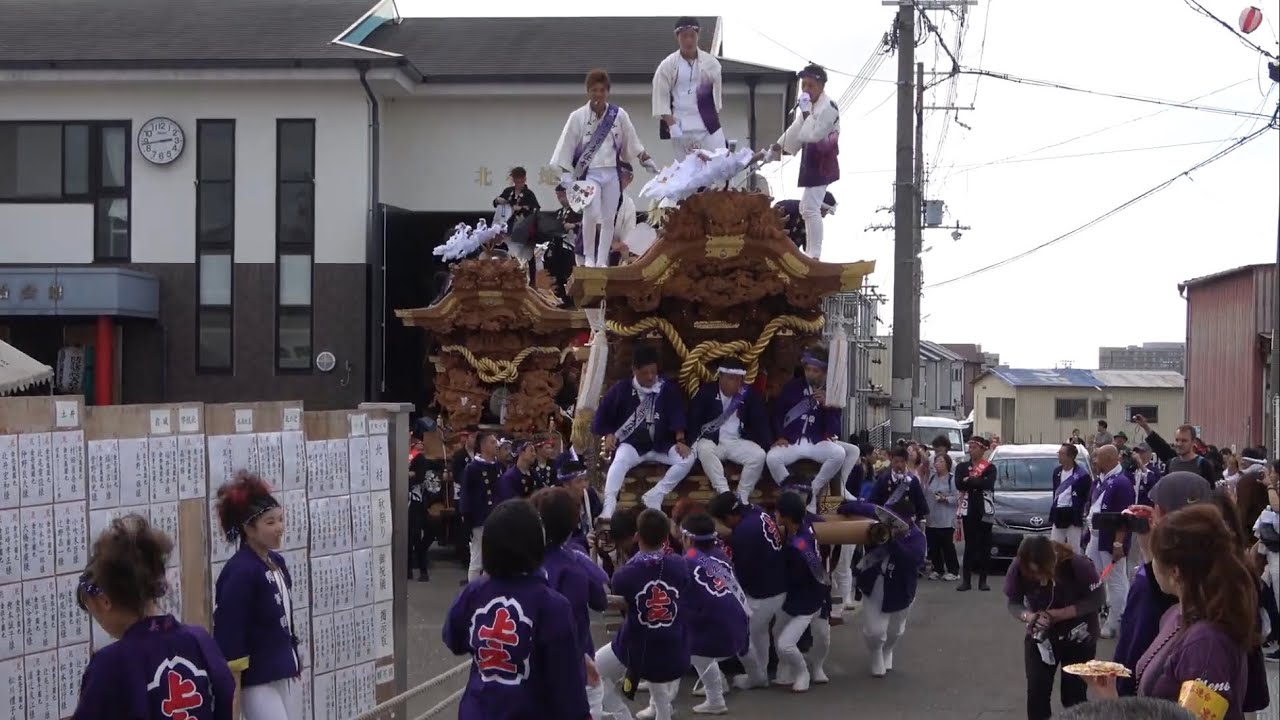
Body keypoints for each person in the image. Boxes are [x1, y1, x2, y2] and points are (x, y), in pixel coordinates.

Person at [1085, 504, 1257, 718]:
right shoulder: (1179, 613)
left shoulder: (1206, 644)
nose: (1146, 565)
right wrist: (1111, 696)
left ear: (1175, 572)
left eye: (1154, 558)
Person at [72, 515, 234, 720]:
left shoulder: (111, 662)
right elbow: (225, 694)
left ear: (105, 601)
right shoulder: (199, 640)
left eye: (94, 613)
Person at [442, 499, 590, 720]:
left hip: (479, 710)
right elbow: (566, 683)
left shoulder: (474, 591)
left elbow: (453, 639)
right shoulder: (552, 604)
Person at [212, 472, 302, 719]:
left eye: (281, 519)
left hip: (284, 670)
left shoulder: (276, 562)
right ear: (249, 529)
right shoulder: (240, 572)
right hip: (257, 681)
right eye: (270, 523)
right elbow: (230, 637)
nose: (280, 528)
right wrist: (232, 696)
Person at [551, 68, 655, 268]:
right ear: (588, 92)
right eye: (594, 90)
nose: (598, 94)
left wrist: (643, 157)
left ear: (607, 91)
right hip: (590, 173)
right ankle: (589, 257)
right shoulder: (578, 117)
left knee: (608, 218)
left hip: (611, 173)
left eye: (602, 90)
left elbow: (631, 141)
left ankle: (601, 260)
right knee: (591, 213)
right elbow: (566, 145)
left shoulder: (619, 115)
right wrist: (565, 174)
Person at [595, 508, 691, 720]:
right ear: (666, 537)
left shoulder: (623, 575)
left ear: (637, 536)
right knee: (655, 637)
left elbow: (622, 606)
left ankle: (622, 716)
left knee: (594, 670)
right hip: (677, 650)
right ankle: (664, 715)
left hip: (639, 653)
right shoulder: (680, 564)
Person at [529, 487, 611, 717]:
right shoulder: (575, 561)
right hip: (575, 660)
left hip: (527, 659)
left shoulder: (525, 559)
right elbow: (600, 601)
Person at [1005, 535, 1105, 720]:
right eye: (1033, 574)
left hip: (1079, 634)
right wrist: (1029, 616)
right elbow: (1014, 603)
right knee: (1037, 692)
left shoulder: (1078, 565)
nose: (1039, 578)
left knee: (1073, 696)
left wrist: (1061, 614)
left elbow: (1098, 598)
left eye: (1042, 572)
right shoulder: (1017, 568)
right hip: (1041, 635)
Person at [593, 345, 695, 519]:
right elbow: (602, 419)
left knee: (688, 458)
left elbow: (676, 414)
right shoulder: (621, 390)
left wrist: (681, 440)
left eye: (653, 372)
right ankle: (609, 506)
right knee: (619, 461)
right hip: (633, 445)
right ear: (634, 370)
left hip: (661, 444)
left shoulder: (666, 389)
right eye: (645, 373)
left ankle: (656, 494)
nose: (650, 377)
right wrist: (609, 433)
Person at [835, 497, 927, 678]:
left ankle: (888, 650)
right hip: (874, 582)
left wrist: (893, 542)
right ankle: (876, 653)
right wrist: (846, 507)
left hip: (901, 588)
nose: (891, 523)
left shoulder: (917, 537)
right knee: (875, 631)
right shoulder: (881, 519)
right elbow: (865, 507)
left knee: (895, 630)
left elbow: (913, 560)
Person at [706, 491, 787, 690]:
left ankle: (757, 677)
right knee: (759, 633)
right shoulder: (758, 512)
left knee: (747, 634)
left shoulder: (744, 533)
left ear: (727, 517)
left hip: (765, 592)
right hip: (778, 582)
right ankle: (761, 672)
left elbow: (742, 576)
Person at [765, 346, 859, 512]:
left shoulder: (832, 394)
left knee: (839, 453)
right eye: (808, 369)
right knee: (772, 458)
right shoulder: (792, 388)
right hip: (792, 441)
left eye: (815, 371)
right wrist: (779, 436)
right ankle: (793, 491)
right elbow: (777, 415)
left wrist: (827, 406)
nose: (810, 374)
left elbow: (834, 428)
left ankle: (813, 490)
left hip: (816, 441)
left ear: (824, 372)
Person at [765, 64, 840, 259]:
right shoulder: (810, 109)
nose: (806, 90)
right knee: (806, 206)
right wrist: (774, 150)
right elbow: (794, 132)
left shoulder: (829, 108)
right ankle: (811, 253)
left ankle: (814, 254)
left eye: (811, 85)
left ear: (821, 86)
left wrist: (806, 112)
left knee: (811, 207)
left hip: (823, 160)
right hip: (811, 160)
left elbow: (814, 134)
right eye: (803, 85)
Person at [678, 512, 749, 715]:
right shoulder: (721, 555)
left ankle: (715, 699)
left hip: (717, 635)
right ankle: (720, 685)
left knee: (689, 645)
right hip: (739, 626)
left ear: (688, 538)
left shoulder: (686, 563)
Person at [688, 356, 772, 502]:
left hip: (736, 441)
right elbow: (693, 419)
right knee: (704, 449)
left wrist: (769, 444)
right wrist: (690, 443)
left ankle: (742, 496)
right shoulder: (706, 392)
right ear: (721, 377)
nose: (737, 383)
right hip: (713, 441)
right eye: (732, 378)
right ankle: (724, 493)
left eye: (740, 379)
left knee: (758, 455)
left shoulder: (748, 395)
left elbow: (760, 422)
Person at [770, 490, 828, 692]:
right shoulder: (804, 529)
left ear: (785, 516)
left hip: (807, 601)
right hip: (796, 597)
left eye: (777, 512)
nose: (774, 515)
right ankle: (785, 670)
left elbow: (799, 574)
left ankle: (802, 671)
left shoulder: (799, 546)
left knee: (786, 644)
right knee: (777, 631)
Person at [652, 16, 725, 160]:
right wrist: (671, 125)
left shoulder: (712, 64)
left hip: (708, 125)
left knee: (720, 162)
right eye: (684, 36)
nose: (689, 40)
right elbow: (661, 96)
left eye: (692, 36)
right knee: (688, 174)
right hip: (681, 127)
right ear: (677, 37)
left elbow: (716, 97)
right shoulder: (667, 65)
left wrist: (714, 114)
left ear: (698, 36)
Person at [1086, 445, 1136, 639]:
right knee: (1094, 579)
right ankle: (1099, 616)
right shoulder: (1100, 481)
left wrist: (1118, 543)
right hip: (1095, 539)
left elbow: (1124, 517)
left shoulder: (1122, 483)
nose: (1094, 461)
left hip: (1110, 541)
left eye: (1097, 458)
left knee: (1116, 581)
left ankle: (1116, 621)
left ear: (1108, 458)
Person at [955, 436, 997, 591]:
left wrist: (971, 481)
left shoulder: (990, 467)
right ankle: (966, 580)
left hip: (984, 509)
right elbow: (959, 483)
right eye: (970, 447)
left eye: (974, 447)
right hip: (968, 509)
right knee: (970, 546)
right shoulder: (962, 467)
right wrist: (975, 481)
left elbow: (988, 483)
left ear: (982, 449)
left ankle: (983, 581)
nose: (970, 450)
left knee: (985, 545)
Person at [460, 430, 503, 581]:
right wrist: (468, 518)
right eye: (492, 442)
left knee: (491, 558)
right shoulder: (473, 468)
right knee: (477, 557)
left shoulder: (497, 465)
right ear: (483, 446)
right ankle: (473, 588)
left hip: (496, 517)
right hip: (480, 518)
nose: (496, 445)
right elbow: (466, 495)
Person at [1132, 416, 1217, 487]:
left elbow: (1211, 494)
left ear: (1193, 442)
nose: (1179, 444)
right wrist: (1145, 426)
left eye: (1184, 440)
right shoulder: (1171, 463)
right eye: (1177, 440)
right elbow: (1160, 446)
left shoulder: (1203, 465)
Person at [868, 446, 930, 526]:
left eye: (902, 461)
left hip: (908, 524)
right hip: (888, 525)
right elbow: (874, 502)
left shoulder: (913, 480)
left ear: (906, 461)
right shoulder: (884, 479)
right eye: (896, 462)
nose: (899, 465)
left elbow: (920, 506)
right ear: (891, 460)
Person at [1050, 443, 1092, 552]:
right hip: (1058, 514)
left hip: (1073, 515)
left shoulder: (1082, 476)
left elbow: (1086, 498)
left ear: (1070, 456)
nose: (1058, 455)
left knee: (1073, 550)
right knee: (1055, 548)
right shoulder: (1057, 472)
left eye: (1061, 453)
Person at [924, 452, 960, 580]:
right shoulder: (932, 478)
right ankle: (937, 569)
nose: (937, 464)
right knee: (933, 545)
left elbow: (957, 498)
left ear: (947, 464)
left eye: (940, 462)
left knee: (947, 545)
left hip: (946, 518)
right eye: (936, 462)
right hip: (932, 517)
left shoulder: (952, 479)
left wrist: (945, 499)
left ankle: (953, 571)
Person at [557, 461, 603, 554]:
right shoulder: (557, 505)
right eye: (578, 481)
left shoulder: (589, 494)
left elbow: (598, 514)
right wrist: (583, 540)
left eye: (585, 480)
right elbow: (558, 543)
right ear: (566, 485)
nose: (584, 485)